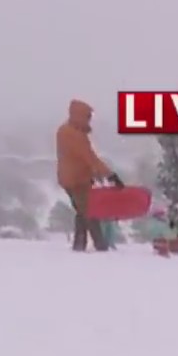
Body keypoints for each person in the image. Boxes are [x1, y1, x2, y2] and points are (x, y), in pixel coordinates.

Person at [55, 99, 120, 253]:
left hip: (71, 178)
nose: (90, 120)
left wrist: (96, 173)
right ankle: (100, 246)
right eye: (88, 116)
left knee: (82, 211)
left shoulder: (66, 131)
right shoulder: (73, 135)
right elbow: (89, 157)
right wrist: (110, 175)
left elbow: (81, 159)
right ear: (80, 116)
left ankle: (79, 244)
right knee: (89, 212)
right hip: (76, 180)